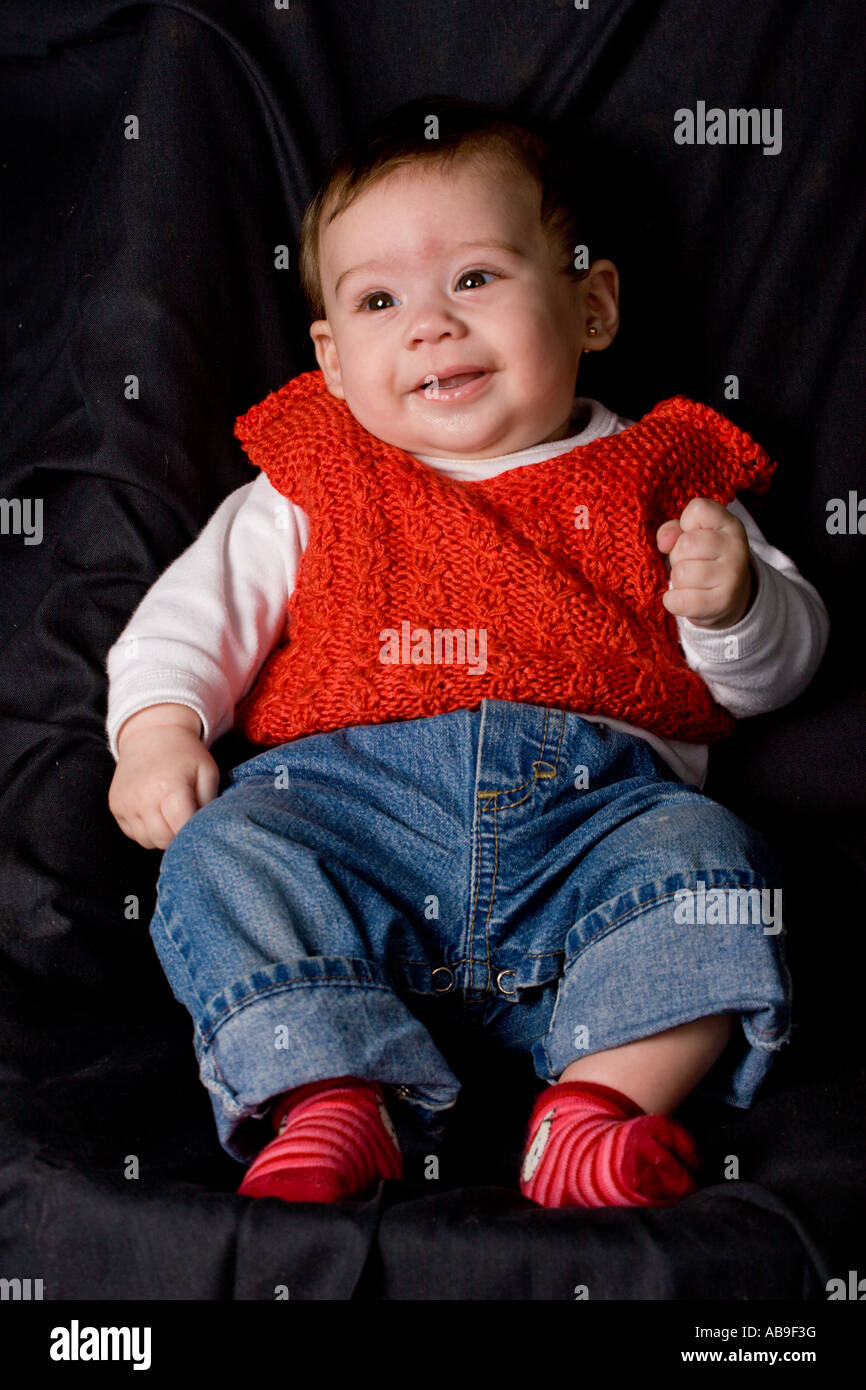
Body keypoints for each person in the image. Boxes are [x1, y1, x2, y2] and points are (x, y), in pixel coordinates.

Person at [105, 96, 829, 1210]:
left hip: (594, 822)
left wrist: (731, 601)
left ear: (589, 305)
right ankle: (334, 1098)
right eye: (380, 300)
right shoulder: (312, 479)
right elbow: (187, 618)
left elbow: (771, 676)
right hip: (350, 816)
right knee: (221, 854)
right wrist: (158, 732)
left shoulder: (661, 474)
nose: (430, 325)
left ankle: (595, 1110)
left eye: (475, 279)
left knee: (711, 865)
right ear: (334, 361)